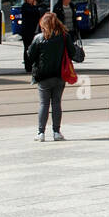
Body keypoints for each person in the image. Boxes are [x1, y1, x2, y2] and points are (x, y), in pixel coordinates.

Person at [26, 11, 83, 142]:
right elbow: (72, 52)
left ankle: (41, 133)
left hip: (43, 76)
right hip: (59, 75)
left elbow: (30, 56)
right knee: (57, 103)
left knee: (44, 103)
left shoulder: (39, 38)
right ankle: (56, 132)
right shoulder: (64, 36)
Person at [19, 0, 42, 73]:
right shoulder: (25, 6)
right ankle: (28, 66)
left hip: (34, 31)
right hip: (27, 31)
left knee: (34, 49)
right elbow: (32, 12)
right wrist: (35, 7)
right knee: (27, 48)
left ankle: (33, 64)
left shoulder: (35, 7)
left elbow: (38, 14)